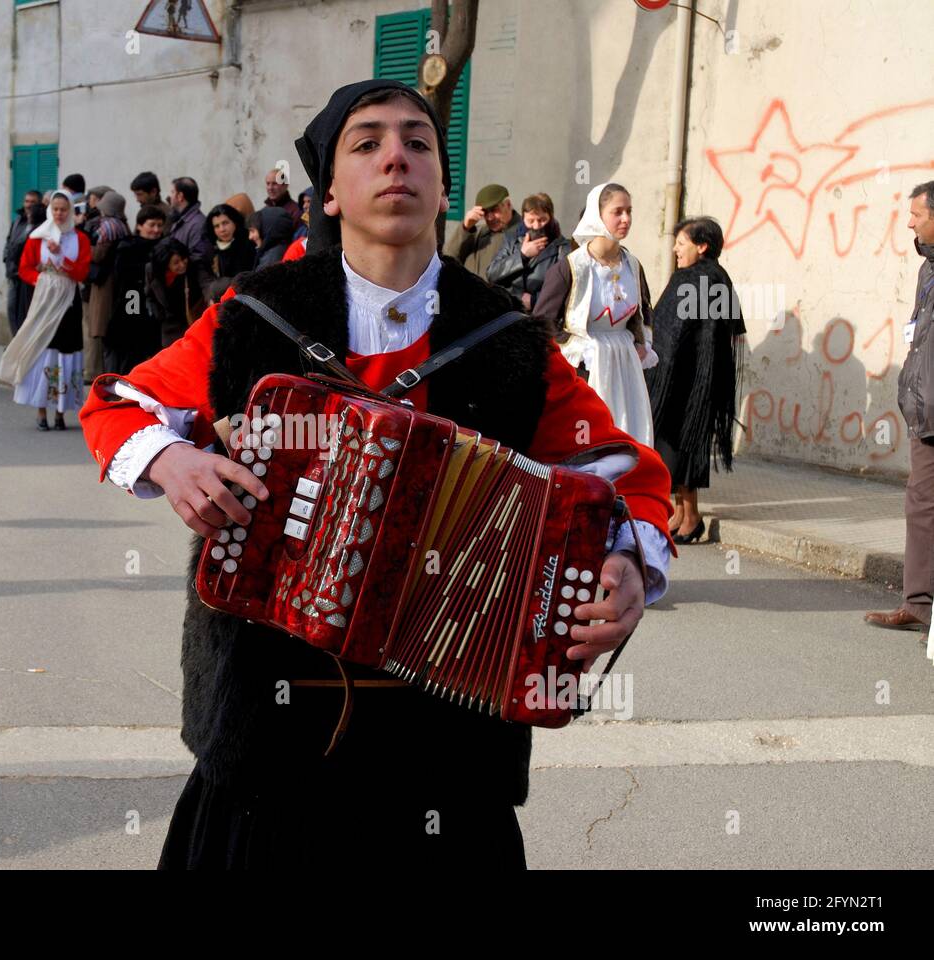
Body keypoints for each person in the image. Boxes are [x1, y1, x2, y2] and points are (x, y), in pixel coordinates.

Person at [78, 79, 673, 870]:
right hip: (267, 743)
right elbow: (116, 403)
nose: (397, 157)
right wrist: (172, 457)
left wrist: (629, 561)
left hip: (451, 759)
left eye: (418, 143)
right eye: (367, 144)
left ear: (441, 182)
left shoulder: (508, 339)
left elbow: (625, 471)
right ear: (329, 191)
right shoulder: (251, 316)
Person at [645, 216, 745, 545]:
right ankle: (681, 513)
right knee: (683, 444)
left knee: (678, 442)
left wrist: (658, 371)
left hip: (685, 379)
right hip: (702, 377)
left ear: (701, 246)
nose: (675, 248)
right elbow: (731, 330)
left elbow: (671, 333)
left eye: (682, 242)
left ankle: (691, 518)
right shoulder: (718, 276)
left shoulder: (693, 278)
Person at [533, 182, 657, 445]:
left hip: (625, 365)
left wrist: (640, 342)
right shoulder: (571, 267)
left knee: (628, 432)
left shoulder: (632, 265)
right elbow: (542, 323)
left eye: (629, 211)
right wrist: (577, 348)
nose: (626, 219)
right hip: (586, 369)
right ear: (597, 216)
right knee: (591, 439)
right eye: (618, 212)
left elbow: (643, 311)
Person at [867, 181, 934, 634]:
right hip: (926, 408)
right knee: (922, 502)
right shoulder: (927, 267)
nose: (909, 222)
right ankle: (919, 603)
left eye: (917, 213)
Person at [0, 189, 92, 431]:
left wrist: (63, 259)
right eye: (56, 209)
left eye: (64, 209)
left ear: (70, 211)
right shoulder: (37, 237)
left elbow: (83, 271)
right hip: (43, 298)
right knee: (42, 348)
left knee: (65, 349)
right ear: (50, 210)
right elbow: (24, 267)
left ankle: (61, 412)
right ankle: (41, 410)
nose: (60, 214)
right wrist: (41, 280)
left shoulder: (79, 239)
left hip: (68, 301)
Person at [106, 204, 165, 374]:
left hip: (155, 312)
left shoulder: (164, 246)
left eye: (159, 225)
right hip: (132, 305)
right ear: (140, 225)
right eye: (152, 225)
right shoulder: (128, 247)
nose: (156, 230)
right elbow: (126, 282)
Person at [486, 193, 570, 310]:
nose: (536, 226)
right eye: (531, 221)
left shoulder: (562, 247)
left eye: (542, 220)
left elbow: (565, 287)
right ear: (523, 219)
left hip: (542, 315)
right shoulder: (511, 240)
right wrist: (521, 256)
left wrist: (535, 300)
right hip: (510, 313)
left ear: (551, 217)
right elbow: (492, 274)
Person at [84, 190, 130, 380]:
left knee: (100, 326)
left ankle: (102, 374)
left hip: (105, 284)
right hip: (112, 282)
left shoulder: (109, 226)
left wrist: (84, 246)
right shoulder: (122, 225)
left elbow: (97, 254)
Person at [445, 183, 518, 280]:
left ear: (508, 205)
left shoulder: (523, 233)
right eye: (485, 212)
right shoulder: (476, 233)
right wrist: (465, 228)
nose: (490, 217)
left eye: (495, 210)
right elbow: (448, 259)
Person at [147, 236, 206, 348]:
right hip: (169, 326)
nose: (182, 265)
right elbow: (149, 295)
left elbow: (206, 283)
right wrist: (159, 314)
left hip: (192, 322)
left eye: (183, 259)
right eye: (176, 263)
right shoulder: (152, 271)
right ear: (165, 263)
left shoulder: (194, 265)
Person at [4, 189, 42, 338]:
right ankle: (16, 341)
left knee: (27, 312)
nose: (29, 205)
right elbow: (8, 243)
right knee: (11, 308)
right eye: (27, 201)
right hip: (14, 274)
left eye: (33, 202)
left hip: (29, 276)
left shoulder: (40, 224)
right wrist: (6, 260)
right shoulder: (17, 221)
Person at [204, 203, 256, 285]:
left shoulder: (248, 243)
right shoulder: (215, 248)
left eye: (225, 223)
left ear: (234, 222)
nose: (222, 229)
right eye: (217, 226)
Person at [168, 177, 210, 266]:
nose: (169, 196)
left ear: (180, 196)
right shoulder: (180, 218)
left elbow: (199, 259)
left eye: (172, 192)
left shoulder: (198, 224)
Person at [263, 166, 302, 235]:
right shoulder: (264, 211)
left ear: (285, 185)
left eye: (274, 183)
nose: (270, 188)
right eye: (268, 183)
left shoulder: (296, 211)